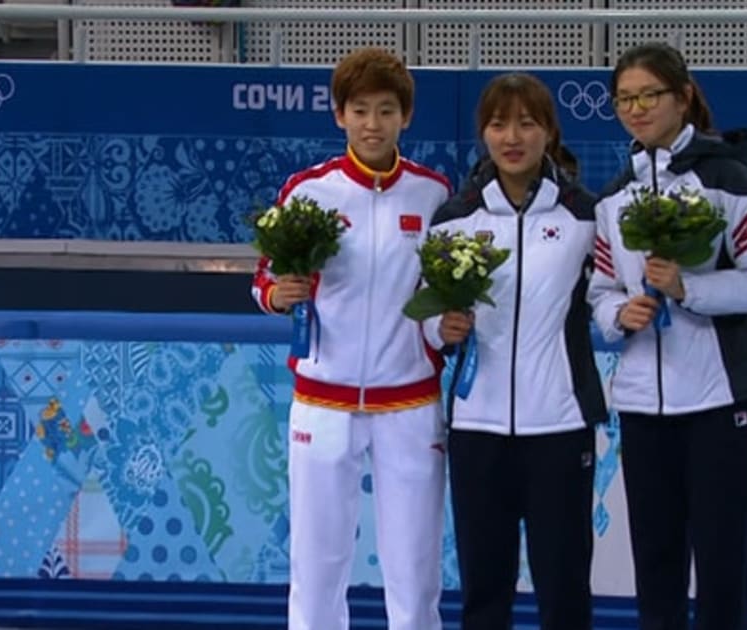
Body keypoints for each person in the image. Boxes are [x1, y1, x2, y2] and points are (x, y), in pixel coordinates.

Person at [249, 47, 451, 630]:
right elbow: (264, 280)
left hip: (410, 403)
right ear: (339, 114)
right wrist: (276, 294)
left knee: (413, 567)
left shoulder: (432, 194)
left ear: (405, 117)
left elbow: (444, 292)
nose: (372, 124)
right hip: (322, 401)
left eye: (385, 111)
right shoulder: (308, 191)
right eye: (359, 110)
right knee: (317, 564)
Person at [587, 42, 747, 630]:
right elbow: (599, 292)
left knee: (722, 565)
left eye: (649, 95)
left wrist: (687, 291)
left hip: (720, 402)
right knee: (657, 562)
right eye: (625, 99)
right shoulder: (614, 196)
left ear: (683, 97)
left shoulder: (729, 179)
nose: (636, 108)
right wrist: (619, 316)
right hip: (644, 406)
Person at [424, 72, 607, 630]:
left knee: (565, 583)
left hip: (559, 425)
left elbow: (607, 298)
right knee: (484, 585)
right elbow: (427, 317)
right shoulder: (456, 217)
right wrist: (442, 329)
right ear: (483, 133)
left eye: (527, 123)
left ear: (548, 132)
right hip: (478, 428)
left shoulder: (583, 215)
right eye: (499, 123)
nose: (512, 136)